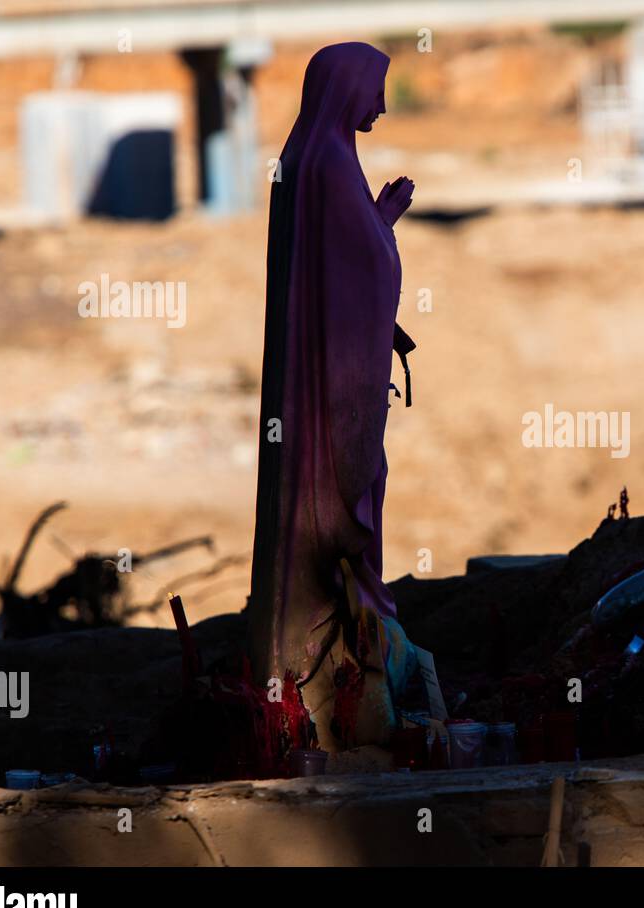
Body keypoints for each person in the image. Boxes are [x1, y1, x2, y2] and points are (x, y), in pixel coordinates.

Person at [248, 42, 416, 750]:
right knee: (352, 492)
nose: (379, 106)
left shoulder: (315, 160)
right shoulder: (326, 166)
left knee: (365, 485)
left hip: (323, 378)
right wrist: (385, 219)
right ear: (347, 89)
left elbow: (339, 274)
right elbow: (364, 270)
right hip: (329, 397)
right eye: (374, 92)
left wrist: (374, 220)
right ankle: (329, 664)